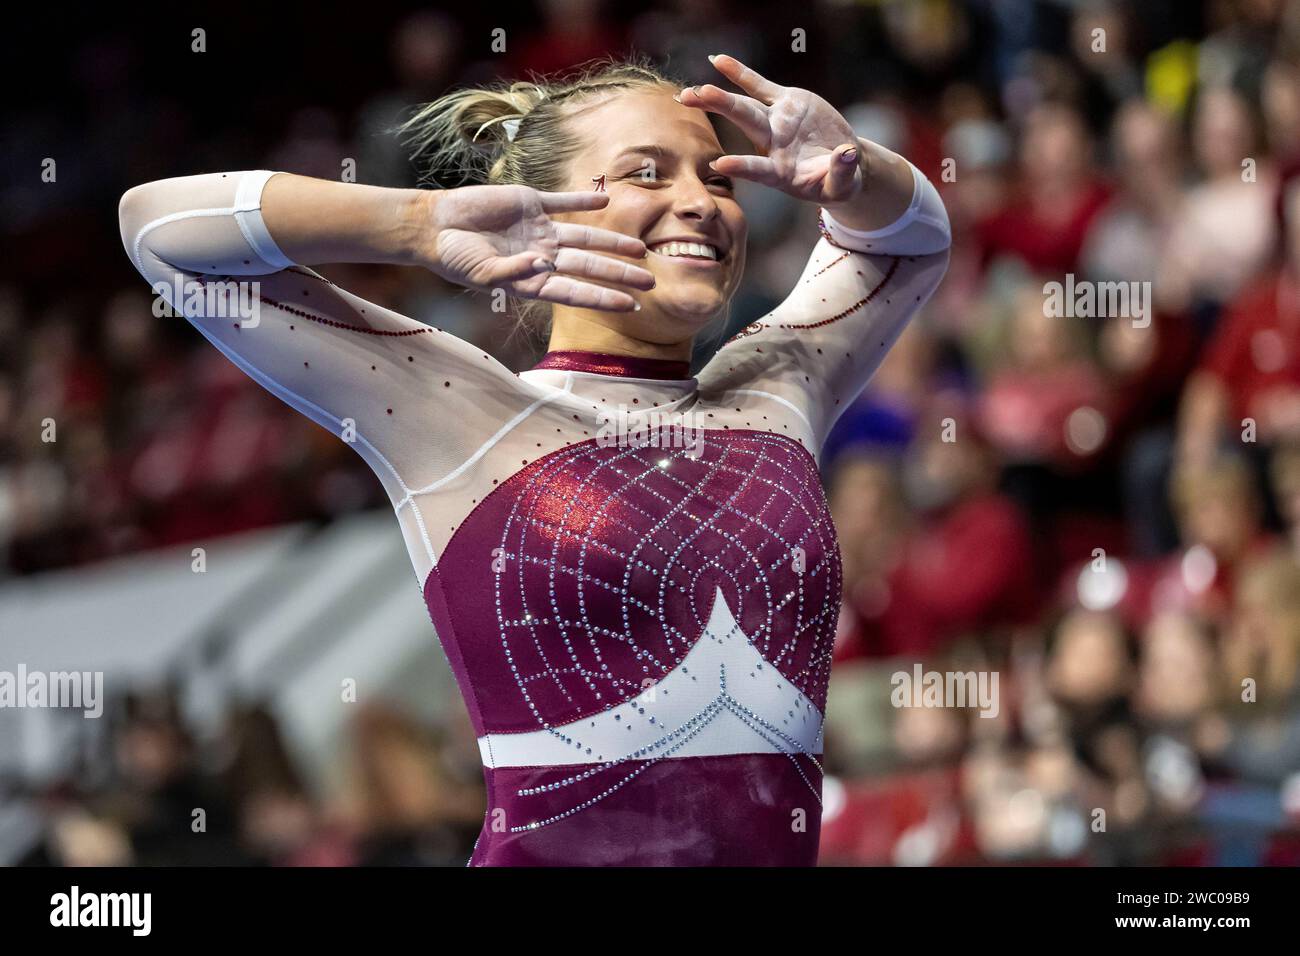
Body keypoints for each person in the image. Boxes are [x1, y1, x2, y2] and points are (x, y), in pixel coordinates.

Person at [118, 54, 950, 865]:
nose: (699, 203)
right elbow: (159, 230)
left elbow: (909, 242)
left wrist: (855, 169)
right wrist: (413, 225)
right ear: (545, 205)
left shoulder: (775, 388)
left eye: (718, 178)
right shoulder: (462, 411)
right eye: (648, 175)